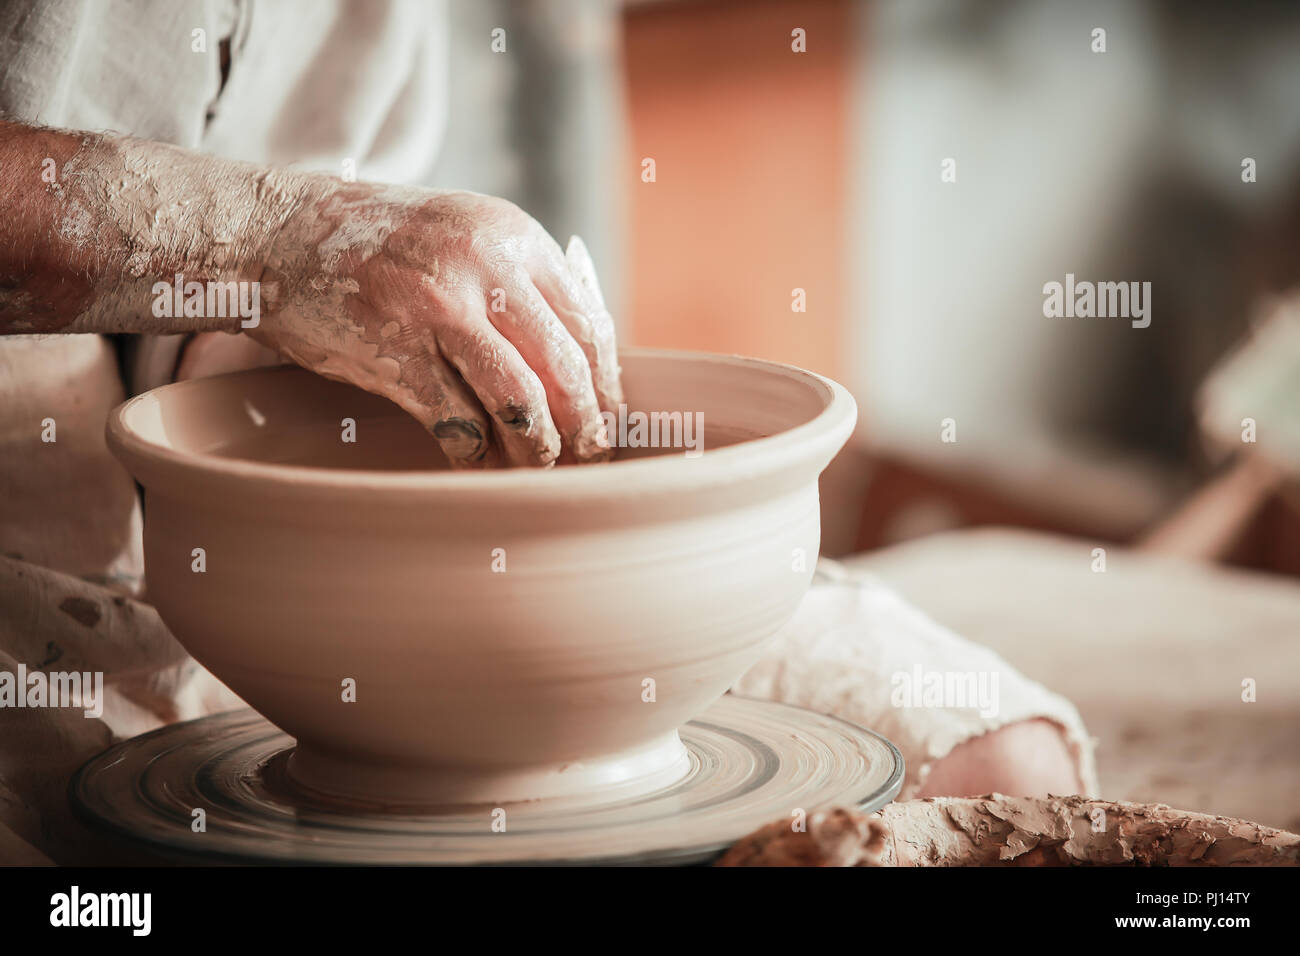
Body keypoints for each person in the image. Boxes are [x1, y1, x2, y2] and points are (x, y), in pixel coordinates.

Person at [0, 0, 1090, 864]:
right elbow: (275, 248)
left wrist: (329, 344)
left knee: (1000, 768)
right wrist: (281, 240)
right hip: (40, 573)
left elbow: (233, 333)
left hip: (319, 569)